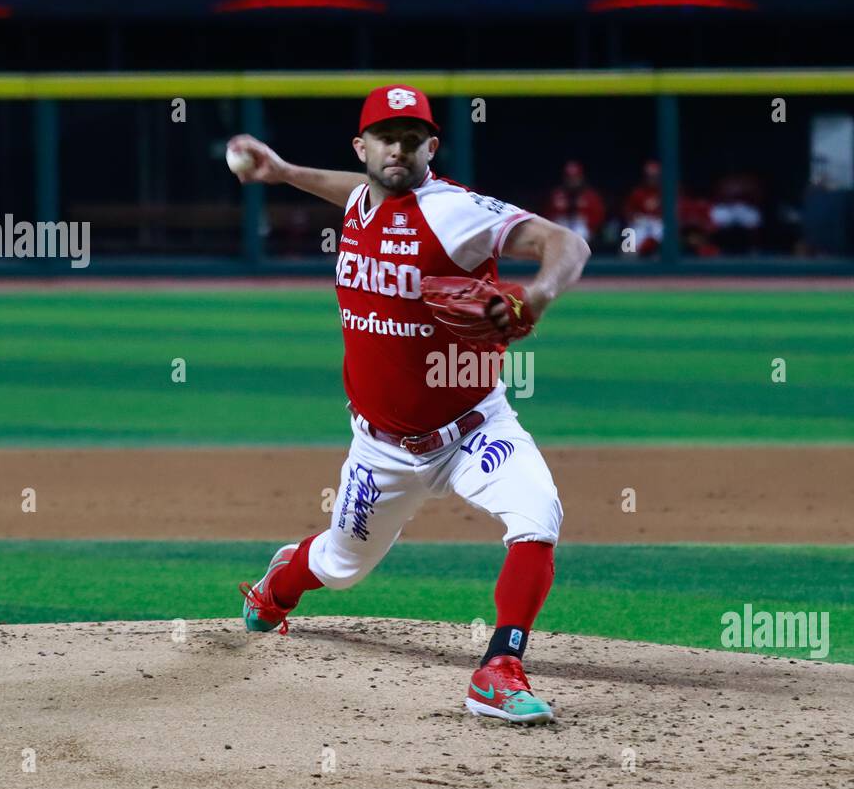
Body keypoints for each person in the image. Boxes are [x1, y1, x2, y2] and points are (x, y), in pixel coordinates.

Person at [225, 84, 589, 725]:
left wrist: (537, 294)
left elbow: (567, 242)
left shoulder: (457, 211)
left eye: (412, 138)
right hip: (383, 449)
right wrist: (282, 173)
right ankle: (275, 590)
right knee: (339, 567)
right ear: (363, 146)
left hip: (476, 426)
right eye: (386, 137)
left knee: (538, 513)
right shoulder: (363, 200)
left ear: (432, 146)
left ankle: (499, 668)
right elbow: (357, 190)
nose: (399, 148)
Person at [545, 160, 606, 247]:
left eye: (575, 177)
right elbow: (547, 216)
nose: (572, 181)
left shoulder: (590, 196)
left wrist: (591, 227)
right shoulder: (556, 195)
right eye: (569, 177)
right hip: (561, 227)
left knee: (579, 233)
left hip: (581, 229)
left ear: (581, 177)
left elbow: (599, 217)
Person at [622, 159, 665, 257]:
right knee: (628, 246)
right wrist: (634, 217)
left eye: (654, 176)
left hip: (659, 224)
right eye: (649, 176)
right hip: (641, 224)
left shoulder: (665, 192)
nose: (652, 179)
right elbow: (628, 211)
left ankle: (655, 253)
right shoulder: (638, 193)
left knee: (661, 231)